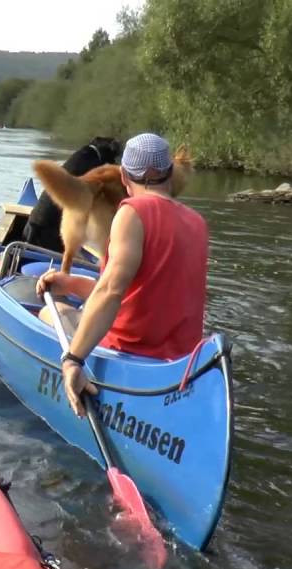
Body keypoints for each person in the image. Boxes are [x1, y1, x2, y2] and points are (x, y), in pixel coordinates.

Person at [35, 132, 208, 417]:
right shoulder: (197, 222)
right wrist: (73, 284)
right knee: (77, 303)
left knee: (46, 313)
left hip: (126, 353)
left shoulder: (130, 212)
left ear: (125, 176)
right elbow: (146, 292)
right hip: (178, 364)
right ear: (169, 173)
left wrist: (73, 360)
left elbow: (112, 291)